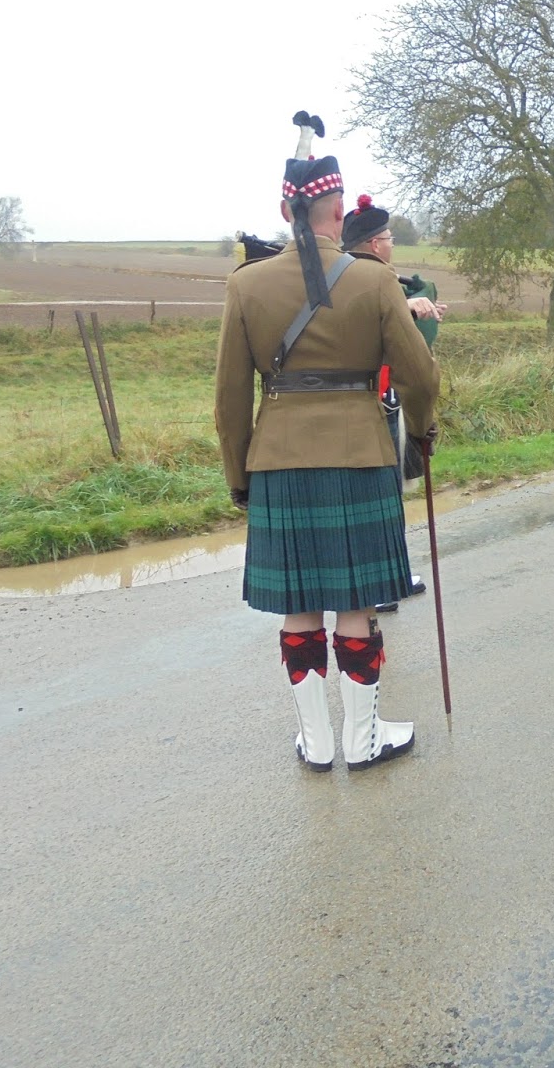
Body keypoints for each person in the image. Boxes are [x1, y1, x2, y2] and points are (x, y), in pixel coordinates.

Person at [215, 113, 440, 772]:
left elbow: (230, 404)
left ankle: (316, 743)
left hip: (278, 462)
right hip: (361, 454)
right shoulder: (375, 281)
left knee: (298, 606)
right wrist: (422, 435)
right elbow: (421, 377)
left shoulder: (245, 284)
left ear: (284, 210)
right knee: (356, 605)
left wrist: (240, 475)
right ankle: (360, 739)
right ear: (335, 212)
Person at [341, 193, 448, 613]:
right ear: (373, 244)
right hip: (362, 403)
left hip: (383, 397)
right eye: (388, 238)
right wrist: (404, 308)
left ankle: (391, 571)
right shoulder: (359, 279)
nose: (392, 245)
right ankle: (379, 580)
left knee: (388, 494)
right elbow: (361, 319)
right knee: (373, 496)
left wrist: (414, 314)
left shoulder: (374, 277)